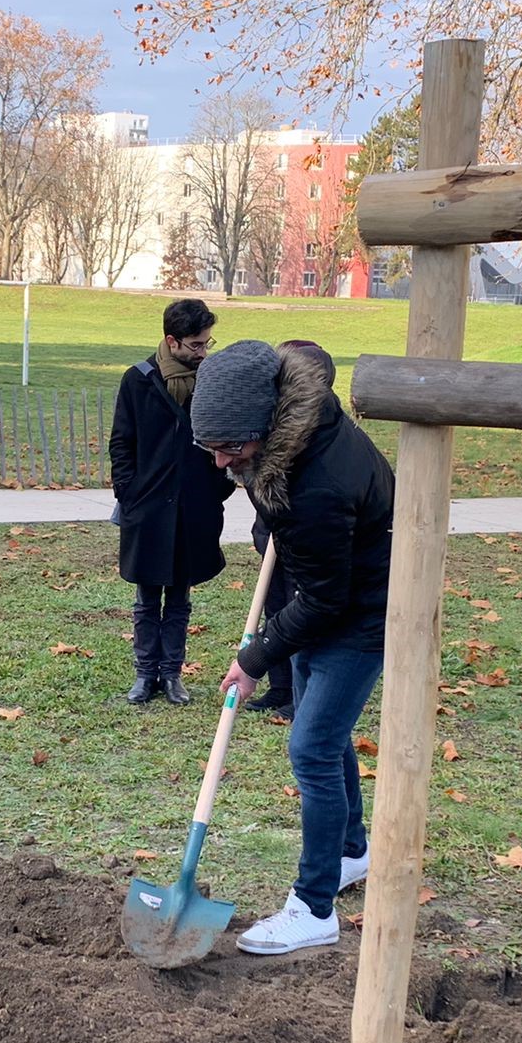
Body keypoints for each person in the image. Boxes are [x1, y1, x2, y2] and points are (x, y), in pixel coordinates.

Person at [193, 339, 395, 956]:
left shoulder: (316, 486)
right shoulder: (304, 436)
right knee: (325, 739)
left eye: (231, 448)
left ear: (265, 426)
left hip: (361, 616)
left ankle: (313, 907)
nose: (221, 461)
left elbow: (327, 600)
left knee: (309, 747)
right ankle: (352, 852)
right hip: (327, 602)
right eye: (212, 448)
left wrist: (255, 660)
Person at [108, 297, 232, 706]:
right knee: (146, 599)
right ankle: (145, 674)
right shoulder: (138, 380)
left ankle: (172, 674)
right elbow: (122, 443)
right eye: (196, 345)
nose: (203, 353)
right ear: (171, 341)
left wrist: (218, 488)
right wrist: (129, 494)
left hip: (194, 507)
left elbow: (227, 439)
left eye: (207, 345)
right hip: (148, 507)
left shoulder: (211, 382)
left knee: (180, 597)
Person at [242, 339, 337, 724]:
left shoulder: (320, 430)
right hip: (272, 535)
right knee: (274, 607)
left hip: (304, 540)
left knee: (299, 616)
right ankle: (280, 687)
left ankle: (300, 696)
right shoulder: (269, 419)